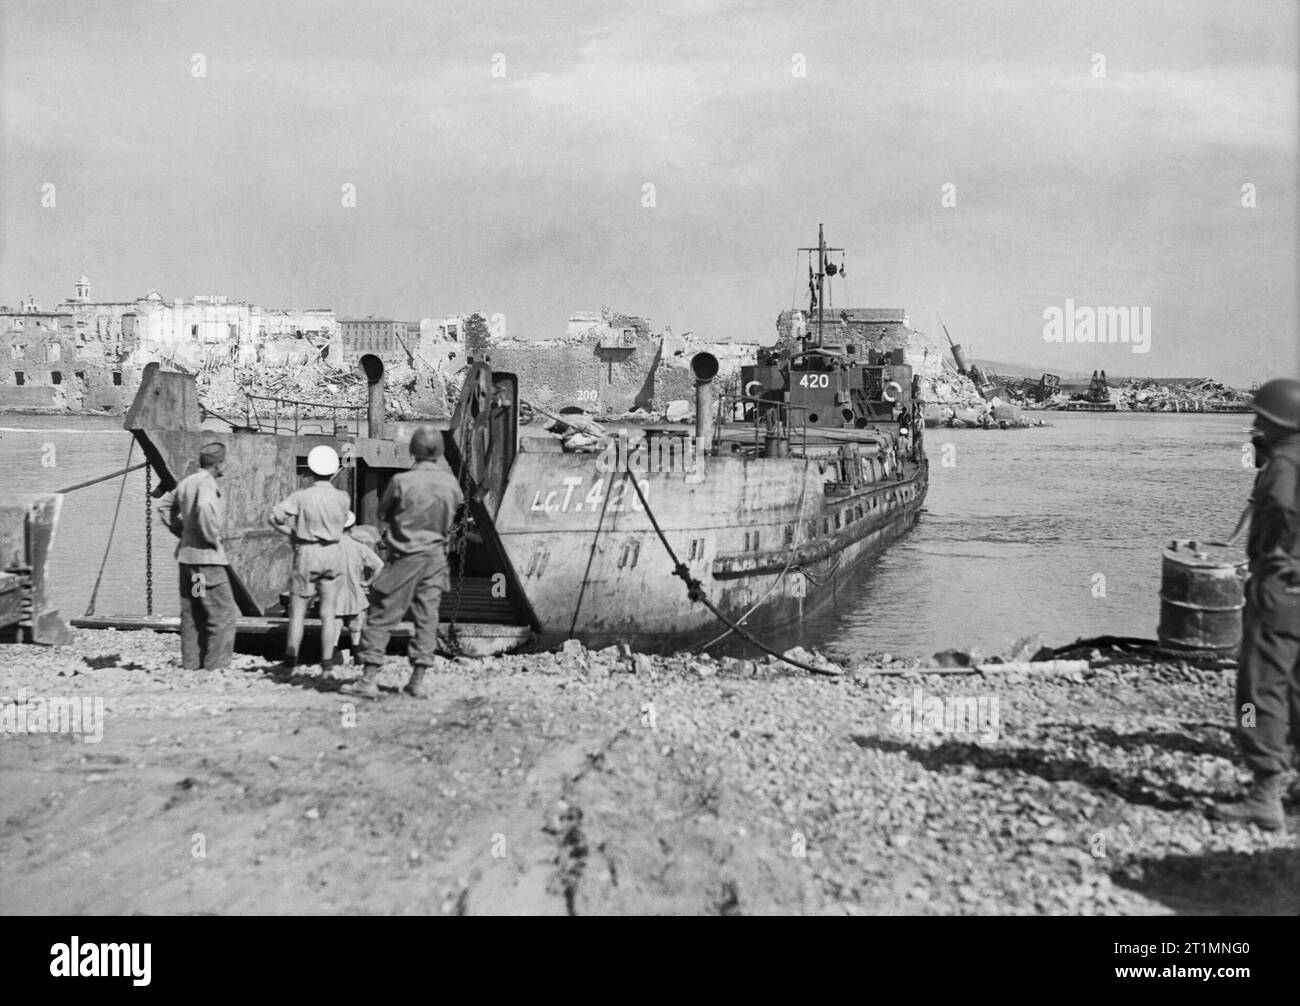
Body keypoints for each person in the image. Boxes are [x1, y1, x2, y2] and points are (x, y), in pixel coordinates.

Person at [1210, 377, 1300, 830]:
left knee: (1262, 684)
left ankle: (1266, 792)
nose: (1254, 424)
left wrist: (1275, 560)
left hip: (1281, 590)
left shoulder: (1285, 465)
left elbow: (1281, 512)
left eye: (1262, 418)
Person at [343, 425, 464, 700]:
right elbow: (455, 512)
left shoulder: (401, 482)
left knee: (380, 615)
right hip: (435, 561)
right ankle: (417, 681)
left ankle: (369, 679)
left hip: (405, 558)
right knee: (427, 619)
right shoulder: (451, 485)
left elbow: (383, 512)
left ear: (414, 450)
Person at [268, 444, 352, 671]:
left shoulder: (301, 496)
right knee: (328, 613)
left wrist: (291, 532)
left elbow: (273, 517)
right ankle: (326, 665)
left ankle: (290, 662)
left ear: (311, 470)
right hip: (334, 552)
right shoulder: (343, 497)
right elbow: (343, 520)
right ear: (334, 470)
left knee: (298, 611)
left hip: (307, 552)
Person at [158, 442, 237, 671]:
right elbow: (204, 508)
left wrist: (182, 531)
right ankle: (217, 667)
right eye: (224, 462)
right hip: (207, 563)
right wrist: (211, 537)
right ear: (218, 464)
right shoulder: (206, 485)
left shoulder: (187, 482)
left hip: (188, 561)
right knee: (223, 614)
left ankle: (192, 665)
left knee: (195, 611)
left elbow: (164, 507)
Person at [332, 516, 384, 664]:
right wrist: (368, 582)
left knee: (334, 631)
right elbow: (379, 565)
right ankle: (358, 660)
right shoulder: (360, 547)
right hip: (356, 594)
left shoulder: (328, 548)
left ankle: (332, 662)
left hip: (335, 595)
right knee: (356, 631)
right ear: (352, 528)